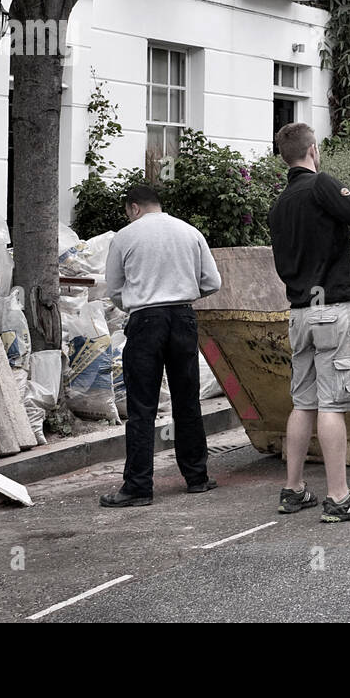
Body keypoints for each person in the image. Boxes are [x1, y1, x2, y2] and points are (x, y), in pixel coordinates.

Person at [268, 123, 350, 521]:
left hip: (300, 312)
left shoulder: (281, 202)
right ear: (313, 150)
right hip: (333, 309)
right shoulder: (320, 185)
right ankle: (338, 498)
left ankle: (294, 489)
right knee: (333, 404)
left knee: (303, 402)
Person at [101, 185, 223, 507]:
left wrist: (139, 302)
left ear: (134, 208)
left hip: (145, 322)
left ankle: (139, 487)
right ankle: (197, 477)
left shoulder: (125, 237)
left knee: (142, 407)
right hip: (183, 318)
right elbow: (213, 282)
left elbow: (114, 289)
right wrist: (181, 292)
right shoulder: (189, 231)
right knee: (187, 401)